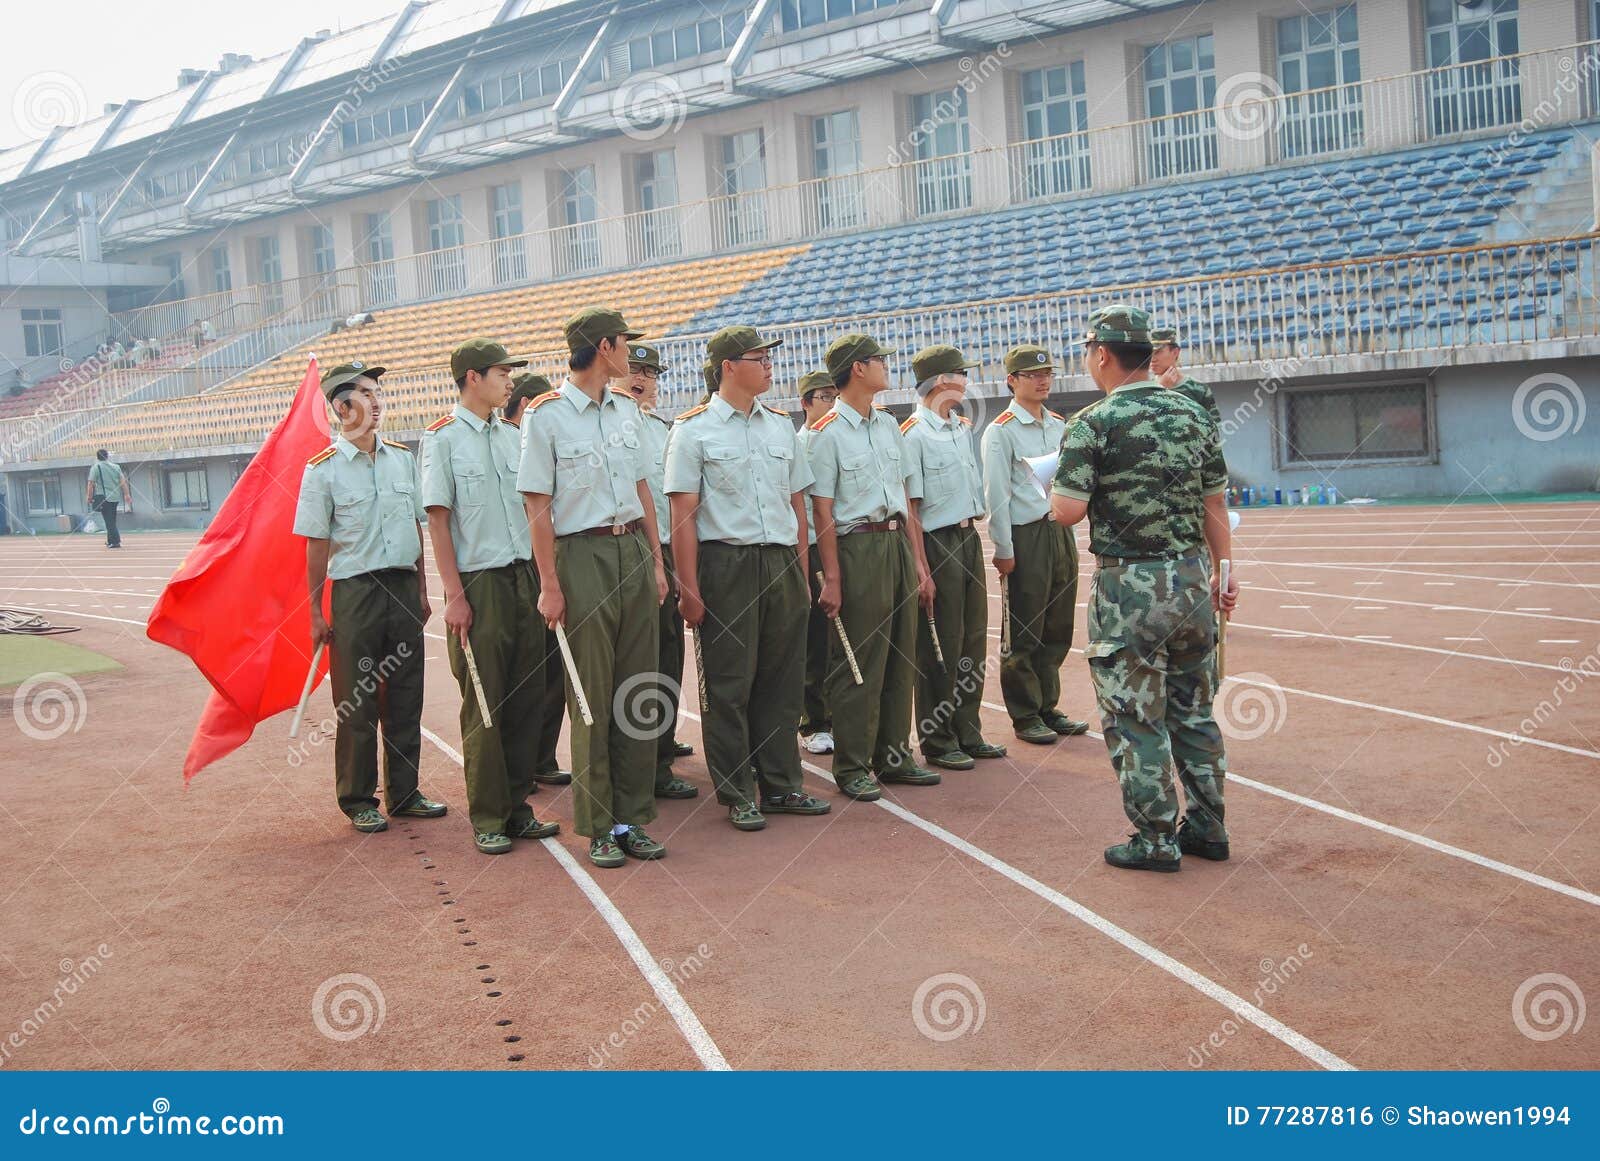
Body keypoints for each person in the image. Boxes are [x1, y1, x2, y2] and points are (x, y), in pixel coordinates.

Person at [1050, 305, 1238, 873]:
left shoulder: (1093, 422)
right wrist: (1225, 572)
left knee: (1135, 717)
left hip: (1130, 588)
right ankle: (1209, 826)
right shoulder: (1193, 413)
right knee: (1193, 710)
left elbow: (1067, 511)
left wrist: (1049, 494)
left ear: (1101, 355)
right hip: (1191, 581)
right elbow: (1216, 505)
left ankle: (1155, 840)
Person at [518, 307, 669, 869]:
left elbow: (642, 488)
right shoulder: (548, 416)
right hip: (581, 555)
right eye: (626, 342)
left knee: (636, 691)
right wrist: (550, 583)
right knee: (591, 697)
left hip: (631, 549)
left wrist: (655, 562)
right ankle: (599, 824)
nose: (631, 352)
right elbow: (537, 503)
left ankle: (632, 819)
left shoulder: (627, 409)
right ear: (604, 347)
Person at [667, 326, 830, 831]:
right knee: (730, 683)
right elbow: (682, 516)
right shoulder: (692, 430)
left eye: (767, 357)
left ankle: (782, 785)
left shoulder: (781, 426)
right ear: (728, 367)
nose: (768, 365)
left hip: (780, 562)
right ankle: (738, 790)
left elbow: (797, 505)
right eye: (757, 358)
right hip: (727, 564)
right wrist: (689, 588)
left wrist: (802, 575)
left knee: (781, 681)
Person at [422, 340, 561, 856]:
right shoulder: (441, 440)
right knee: (485, 703)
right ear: (473, 378)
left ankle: (519, 807)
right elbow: (438, 522)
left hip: (524, 579)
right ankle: (488, 815)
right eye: (503, 373)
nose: (510, 382)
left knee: (527, 699)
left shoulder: (512, 438)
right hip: (479, 585)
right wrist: (454, 596)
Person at [293, 361, 445, 834]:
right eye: (364, 392)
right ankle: (359, 798)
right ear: (341, 406)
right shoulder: (322, 471)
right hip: (356, 593)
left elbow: (415, 529)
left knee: (405, 694)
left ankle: (405, 792)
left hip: (401, 589)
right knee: (356, 701)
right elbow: (316, 545)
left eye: (377, 391)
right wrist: (317, 611)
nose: (376, 400)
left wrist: (421, 588)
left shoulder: (401, 458)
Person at [807, 333, 939, 801]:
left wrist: (920, 564)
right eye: (878, 360)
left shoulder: (887, 425)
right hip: (856, 548)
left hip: (895, 544)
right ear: (857, 369)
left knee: (900, 654)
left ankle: (894, 755)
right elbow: (821, 510)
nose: (887, 366)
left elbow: (906, 498)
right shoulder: (825, 434)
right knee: (857, 661)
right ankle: (853, 764)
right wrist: (833, 577)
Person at [899, 346, 1006, 771]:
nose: (967, 382)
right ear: (942, 380)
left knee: (971, 641)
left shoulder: (960, 428)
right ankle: (938, 739)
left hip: (966, 539)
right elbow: (912, 509)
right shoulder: (913, 434)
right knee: (940, 645)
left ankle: (968, 728)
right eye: (962, 374)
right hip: (936, 543)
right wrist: (921, 568)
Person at [981, 344, 1089, 746]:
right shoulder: (1001, 431)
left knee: (1058, 624)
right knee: (1024, 627)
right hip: (1026, 536)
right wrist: (1004, 549)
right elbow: (996, 495)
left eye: (1047, 374)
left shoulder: (1058, 425)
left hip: (1059, 531)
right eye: (1032, 375)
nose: (1043, 380)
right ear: (1012, 380)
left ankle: (1048, 704)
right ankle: (1025, 714)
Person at [618, 342, 697, 800]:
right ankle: (638, 760)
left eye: (650, 371)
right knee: (637, 658)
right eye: (633, 368)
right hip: (630, 551)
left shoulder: (663, 429)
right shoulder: (612, 425)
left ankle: (661, 750)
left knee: (669, 654)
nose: (643, 378)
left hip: (666, 549)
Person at [503, 371, 574, 795]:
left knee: (553, 670)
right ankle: (520, 765)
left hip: (546, 563)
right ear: (529, 401)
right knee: (523, 674)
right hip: (516, 567)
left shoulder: (537, 438)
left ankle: (542, 758)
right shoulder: (507, 440)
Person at [793, 370, 836, 755]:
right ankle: (813, 721)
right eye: (824, 397)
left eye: (834, 397)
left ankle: (834, 714)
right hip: (810, 549)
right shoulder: (800, 445)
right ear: (806, 402)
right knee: (814, 640)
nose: (832, 404)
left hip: (839, 546)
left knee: (839, 638)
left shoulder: (836, 439)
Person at [1150, 328, 1222, 427]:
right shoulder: (1146, 389)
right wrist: (1160, 389)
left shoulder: (1198, 389)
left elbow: (1214, 427)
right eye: (1149, 353)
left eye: (1157, 352)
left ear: (1175, 352)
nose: (1152, 359)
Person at [86, 449, 131, 549]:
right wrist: (127, 494)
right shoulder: (116, 467)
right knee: (111, 519)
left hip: (104, 497)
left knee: (108, 520)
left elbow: (91, 483)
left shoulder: (96, 467)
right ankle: (110, 541)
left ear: (97, 457)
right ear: (107, 456)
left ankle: (115, 541)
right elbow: (123, 482)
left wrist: (89, 496)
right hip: (115, 497)